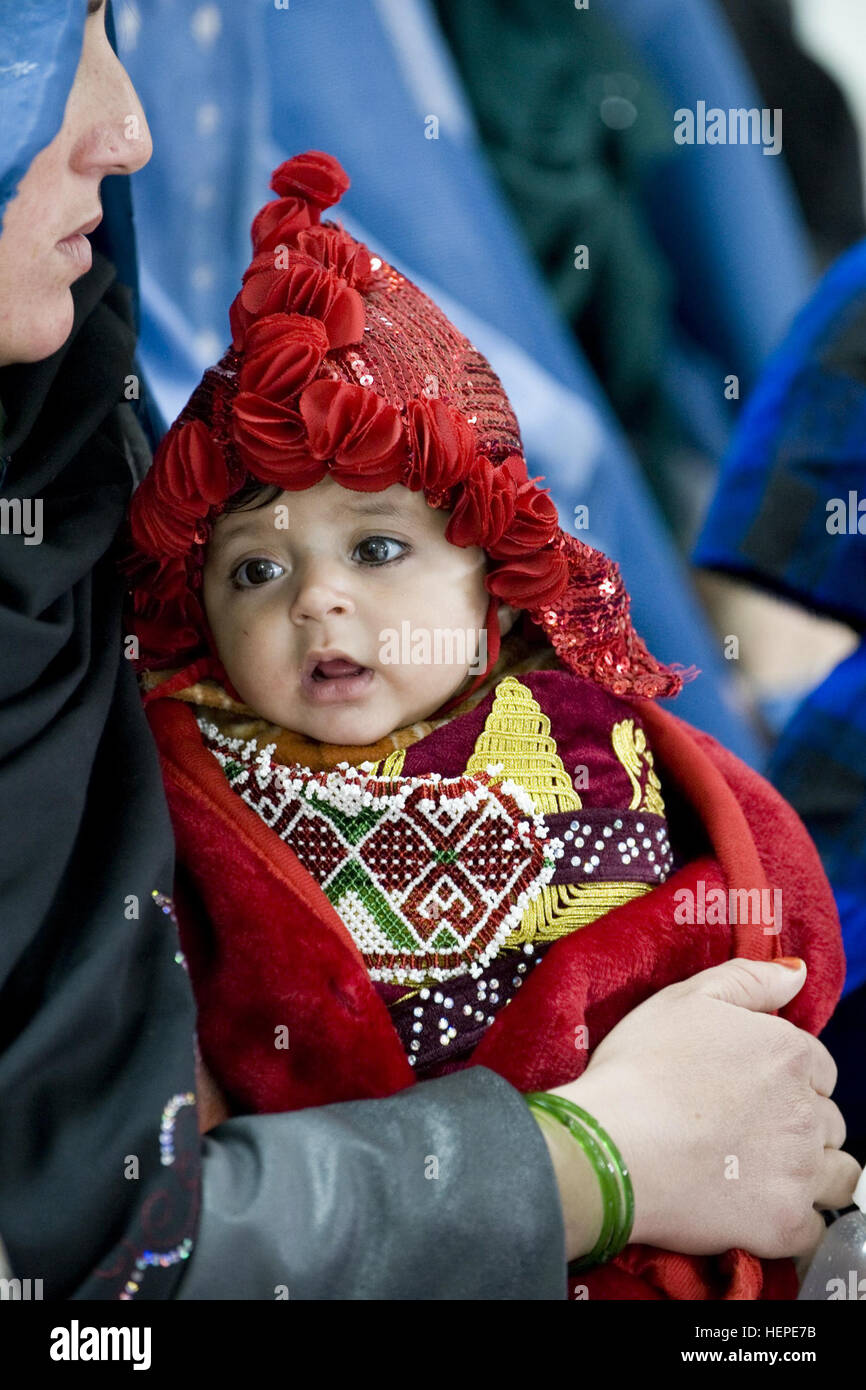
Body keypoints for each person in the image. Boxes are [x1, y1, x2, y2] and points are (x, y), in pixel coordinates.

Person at [0, 0, 858, 1301]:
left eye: (382, 550)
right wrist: (595, 1157)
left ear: (498, 580)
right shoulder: (184, 779)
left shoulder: (636, 774)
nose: (131, 133)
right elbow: (114, 1254)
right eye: (256, 570)